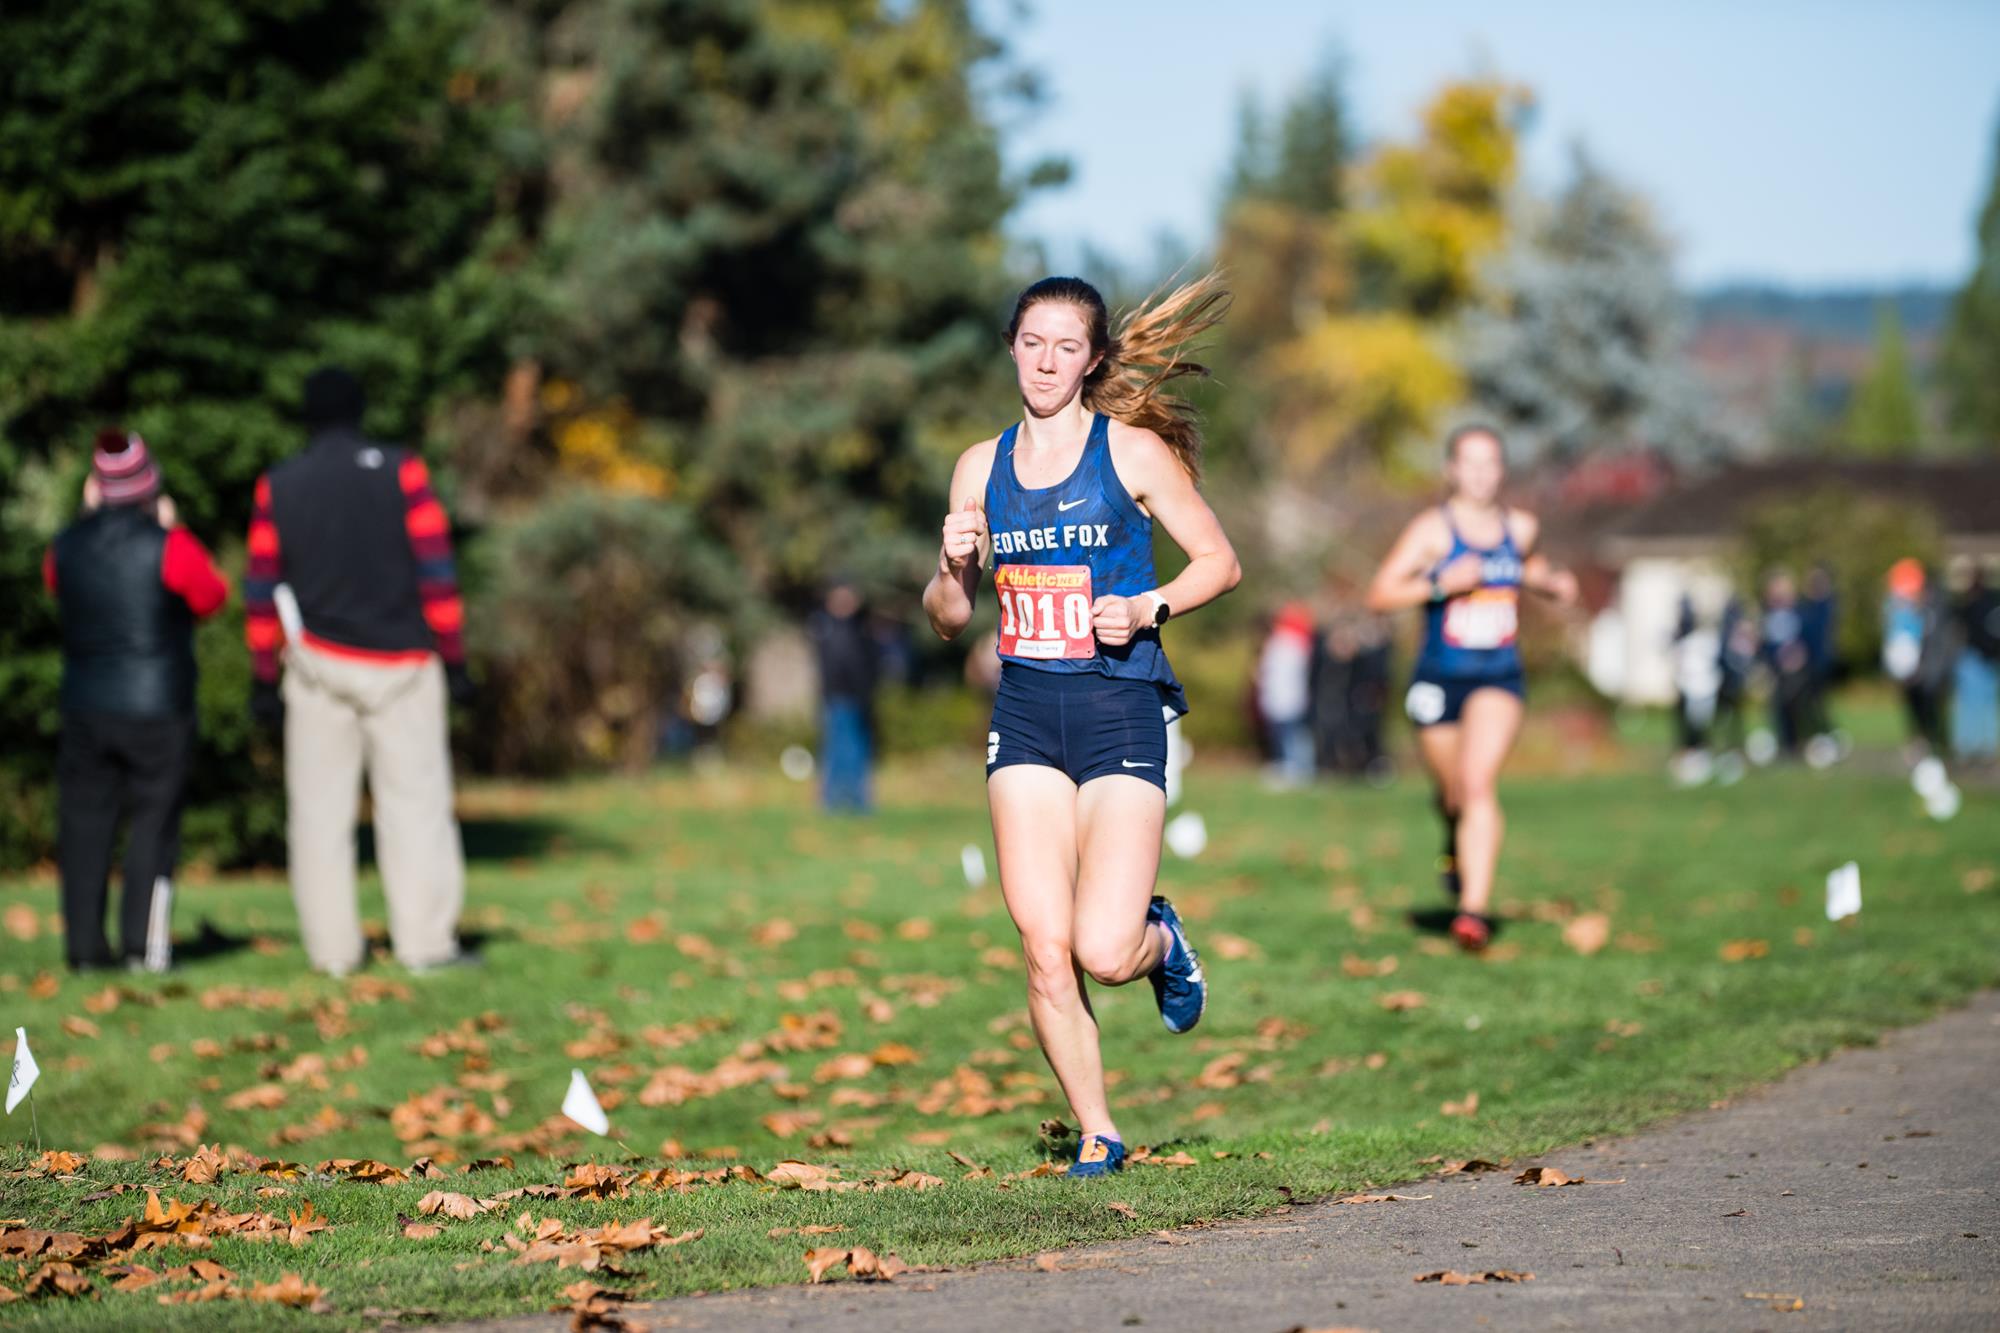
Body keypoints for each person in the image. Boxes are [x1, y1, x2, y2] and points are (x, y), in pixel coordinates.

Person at [922, 273, 1241, 1179]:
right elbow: (948, 616)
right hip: (1025, 715)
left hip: (1119, 706)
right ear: (1012, 347)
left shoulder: (1131, 454)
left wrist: (1150, 607)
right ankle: (1099, 1129)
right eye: (1033, 342)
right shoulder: (979, 468)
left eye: (1068, 345)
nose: (1049, 360)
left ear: (1093, 359)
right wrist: (951, 568)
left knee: (1104, 949)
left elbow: (1220, 561)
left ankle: (1163, 940)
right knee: (1042, 946)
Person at [244, 368, 473, 976]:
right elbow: (437, 573)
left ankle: (333, 953)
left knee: (319, 818)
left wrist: (264, 673)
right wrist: (454, 658)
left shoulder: (279, 485)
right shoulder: (404, 472)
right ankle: (425, 946)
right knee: (417, 810)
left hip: (318, 669)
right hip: (404, 667)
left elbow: (262, 588)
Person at [1365, 424, 1578, 952]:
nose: (1482, 473)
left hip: (1497, 676)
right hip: (1439, 679)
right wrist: (1441, 583)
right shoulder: (1432, 531)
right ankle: (1455, 843)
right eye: (1471, 462)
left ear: (1502, 471)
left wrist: (1555, 585)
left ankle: (1473, 912)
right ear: (1452, 470)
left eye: (1491, 463)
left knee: (1478, 784)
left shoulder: (1521, 526)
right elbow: (1380, 594)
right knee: (1454, 793)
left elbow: (1531, 569)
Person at [44, 431, 229, 972]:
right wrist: (171, 528)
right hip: (158, 709)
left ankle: (83, 950)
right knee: (153, 825)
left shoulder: (64, 547)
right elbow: (211, 597)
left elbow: (60, 589)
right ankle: (141, 948)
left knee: (83, 828)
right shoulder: (170, 545)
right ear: (150, 486)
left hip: (85, 707)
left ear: (96, 488)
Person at [807, 579, 879, 813]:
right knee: (834, 749)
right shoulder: (824, 627)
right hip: (835, 697)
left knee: (858, 749)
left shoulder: (861, 628)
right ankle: (831, 800)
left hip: (859, 698)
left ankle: (859, 801)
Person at [1882, 558, 1954, 761]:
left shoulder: (1935, 608)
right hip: (1912, 673)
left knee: (1932, 711)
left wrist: (1928, 668)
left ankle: (1937, 746)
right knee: (1914, 710)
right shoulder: (1903, 608)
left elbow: (1937, 644)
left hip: (1930, 672)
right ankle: (1920, 744)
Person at [1256, 603, 1316, 786]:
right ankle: (1291, 768)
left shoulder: (1286, 643)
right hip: (1282, 698)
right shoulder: (1290, 643)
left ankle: (1299, 770)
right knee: (1286, 736)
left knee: (1292, 736)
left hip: (1286, 698)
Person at [1948, 556, 1998, 763]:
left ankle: (1974, 748)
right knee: (1980, 705)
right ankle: (1975, 747)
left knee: (1976, 705)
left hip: (1979, 658)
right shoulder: (1978, 603)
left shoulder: (1976, 603)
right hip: (1980, 658)